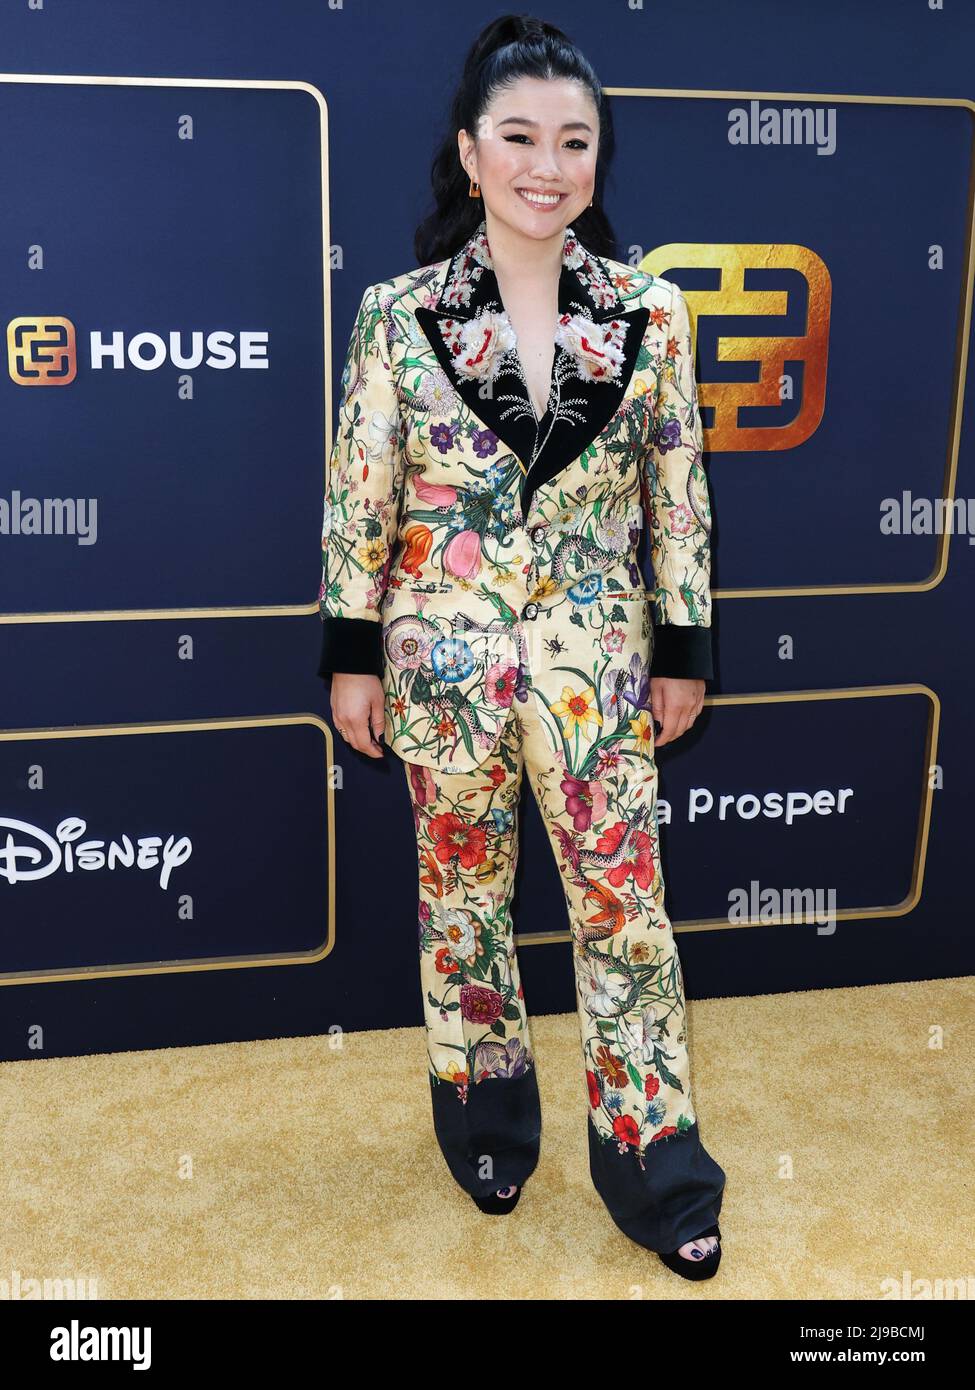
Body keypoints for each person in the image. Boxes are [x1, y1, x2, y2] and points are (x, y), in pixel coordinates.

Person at [318, 13, 725, 1281]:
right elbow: (361, 495)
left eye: (575, 141)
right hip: (441, 670)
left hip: (598, 673)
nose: (548, 167)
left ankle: (657, 1164)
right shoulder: (398, 315)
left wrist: (683, 647)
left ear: (599, 155)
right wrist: (351, 654)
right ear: (470, 151)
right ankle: (488, 1125)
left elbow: (678, 493)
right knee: (463, 909)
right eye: (520, 137)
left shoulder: (651, 312)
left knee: (627, 915)